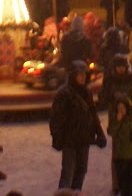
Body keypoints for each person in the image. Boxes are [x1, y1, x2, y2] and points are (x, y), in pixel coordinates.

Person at [49, 61, 107, 192]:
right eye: (80, 74)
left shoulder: (86, 92)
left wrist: (100, 133)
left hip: (84, 138)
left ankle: (76, 193)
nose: (83, 77)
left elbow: (92, 114)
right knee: (68, 172)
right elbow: (56, 118)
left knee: (81, 170)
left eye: (84, 74)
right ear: (73, 75)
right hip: (69, 139)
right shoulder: (64, 93)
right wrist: (57, 137)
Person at [108, 96, 132, 196]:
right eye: (119, 108)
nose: (121, 110)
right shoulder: (115, 120)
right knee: (123, 182)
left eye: (123, 107)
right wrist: (117, 122)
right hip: (120, 156)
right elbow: (111, 132)